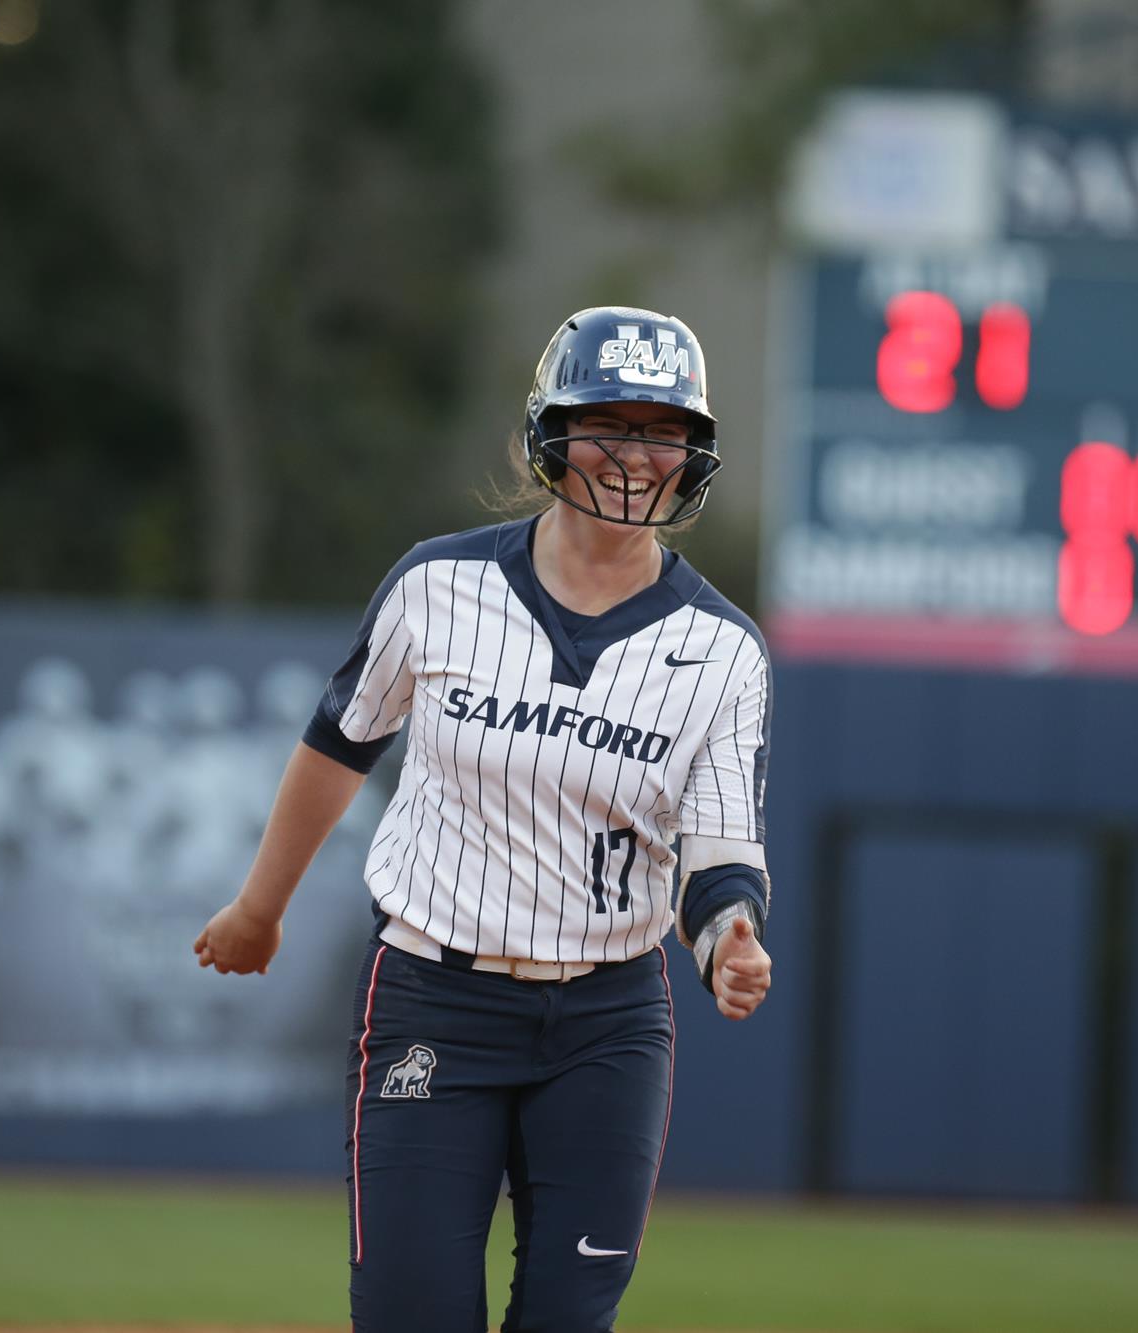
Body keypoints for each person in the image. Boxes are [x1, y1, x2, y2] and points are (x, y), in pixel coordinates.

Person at [194, 305, 774, 1332]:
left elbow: (719, 844)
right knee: (411, 1312)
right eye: (608, 422)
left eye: (661, 429)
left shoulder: (722, 651)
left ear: (694, 452)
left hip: (606, 1017)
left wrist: (728, 932)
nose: (635, 455)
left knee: (564, 1316)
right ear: (547, 433)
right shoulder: (437, 584)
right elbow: (341, 743)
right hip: (433, 995)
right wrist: (259, 905)